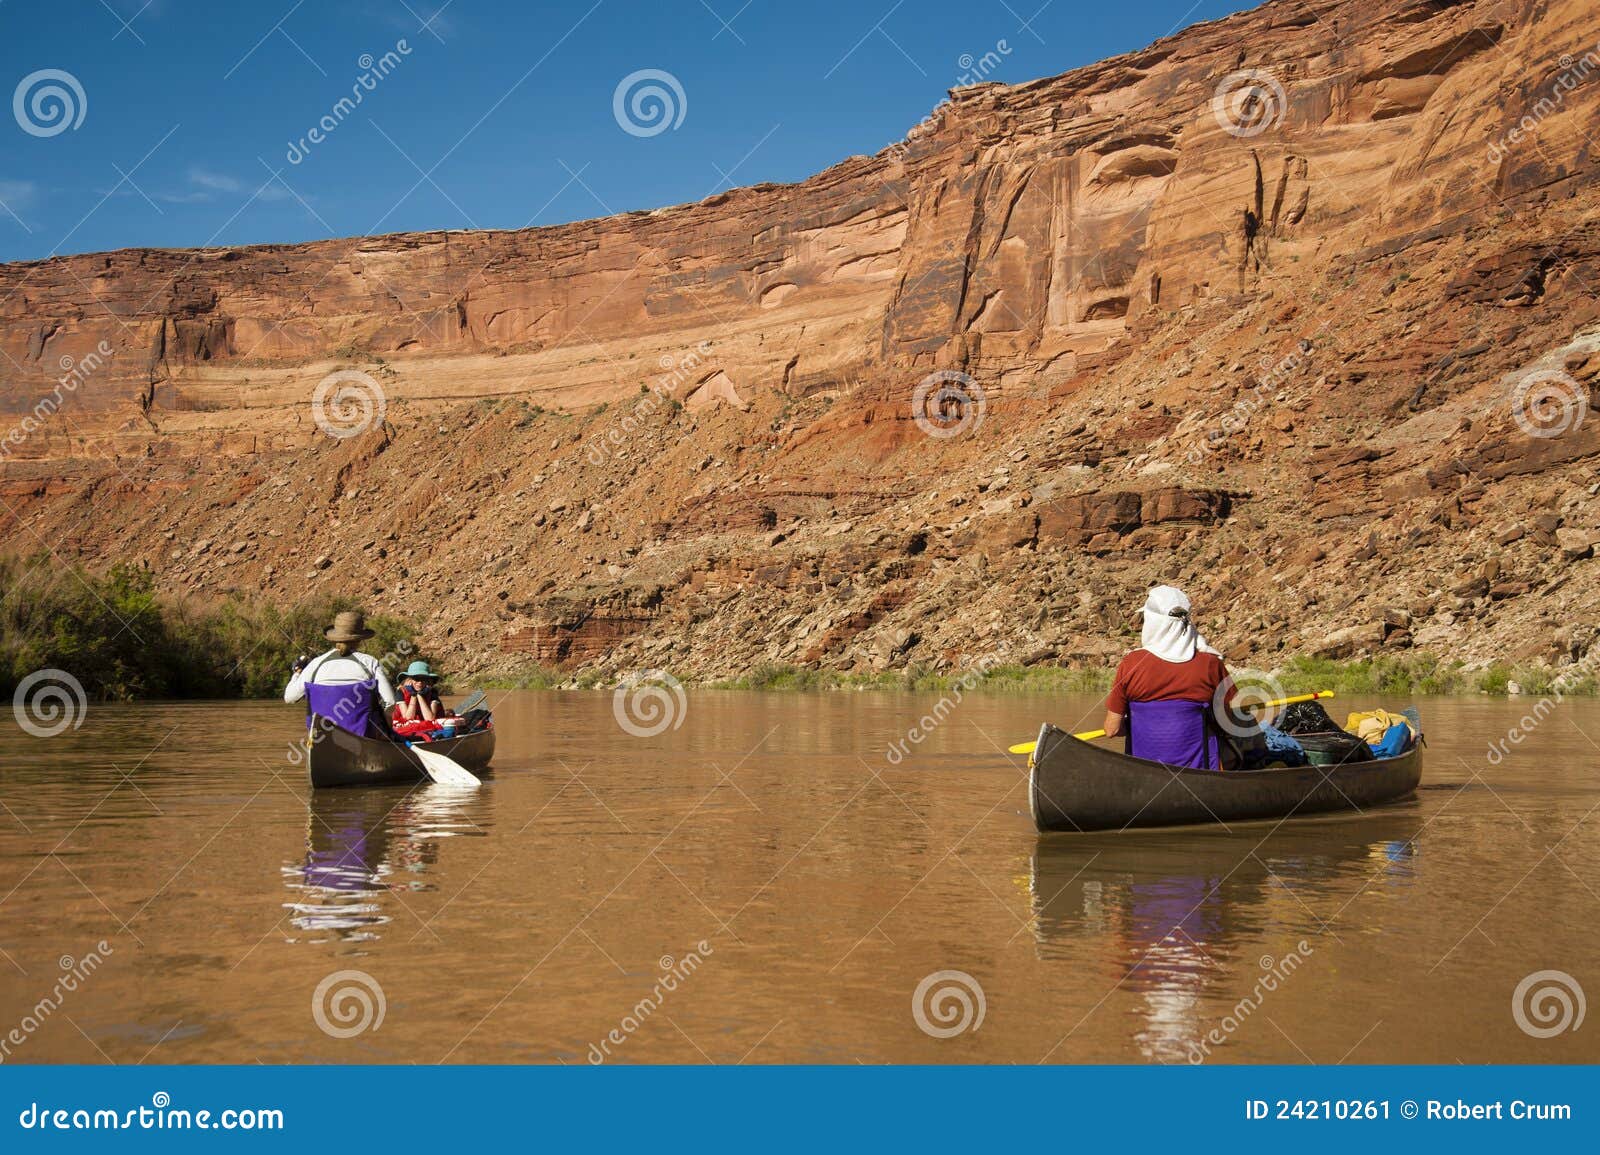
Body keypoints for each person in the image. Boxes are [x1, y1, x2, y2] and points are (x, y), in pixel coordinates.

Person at [1103, 585, 1237, 770]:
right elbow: (1227, 721)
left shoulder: (1131, 663)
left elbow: (1112, 729)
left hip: (1144, 773)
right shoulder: (1210, 664)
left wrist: (1142, 727)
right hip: (1199, 773)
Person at [284, 611, 397, 738]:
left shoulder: (316, 664)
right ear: (360, 639)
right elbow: (391, 701)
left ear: (334, 638)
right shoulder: (370, 662)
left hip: (322, 737)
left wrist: (296, 674)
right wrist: (388, 727)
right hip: (363, 735)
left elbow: (289, 698)